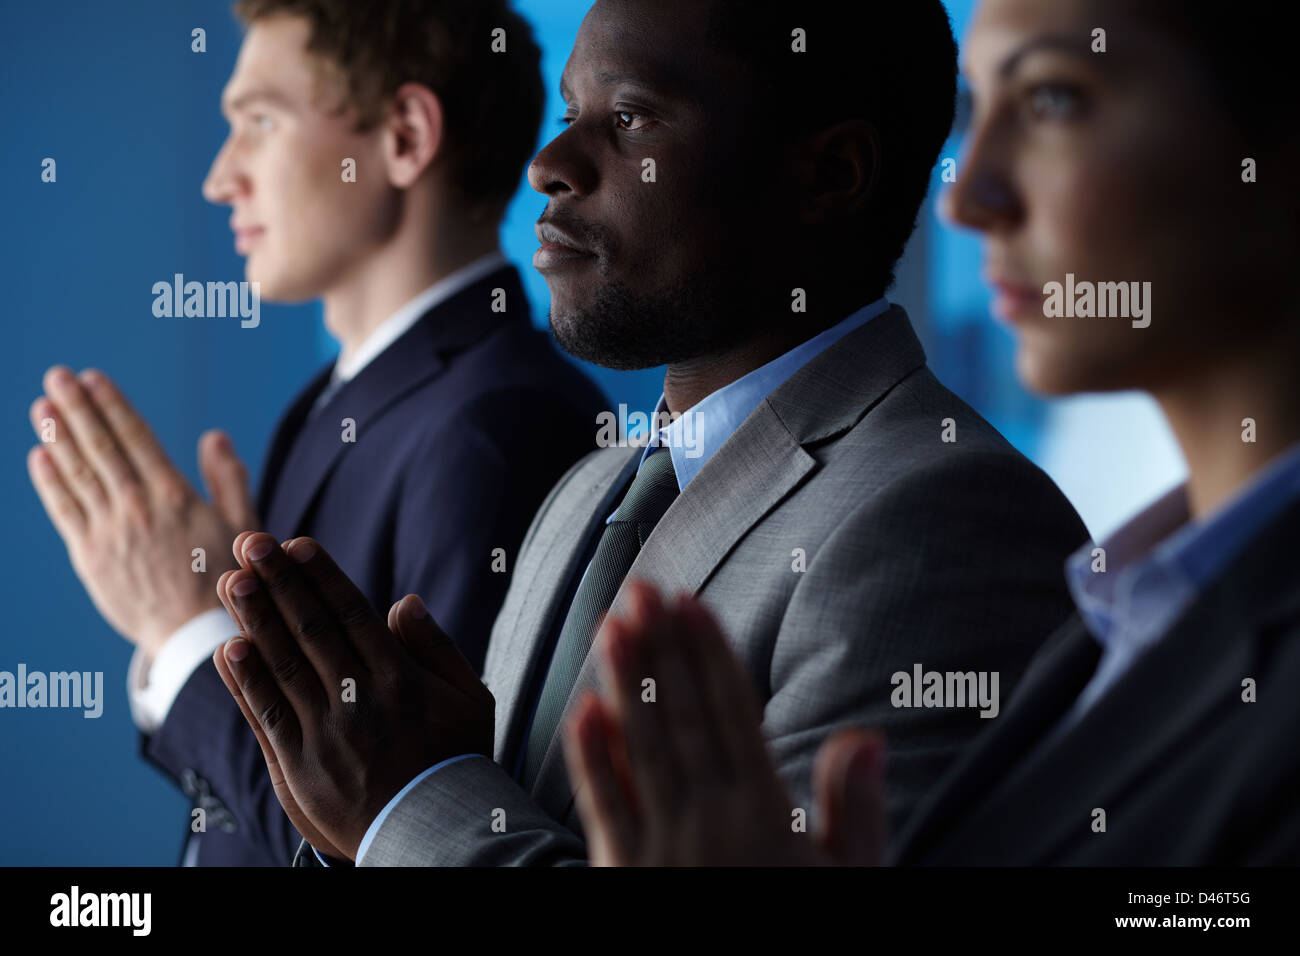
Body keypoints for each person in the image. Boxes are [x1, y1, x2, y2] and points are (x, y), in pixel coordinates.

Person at [207, 0, 1089, 867]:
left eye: (630, 118)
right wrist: (376, 813)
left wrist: (405, 805)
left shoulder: (951, 520)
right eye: (567, 114)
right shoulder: (584, 494)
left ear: (829, 175)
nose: (550, 163)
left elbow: (425, 819)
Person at [562, 0, 1300, 866]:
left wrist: (417, 803)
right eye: (980, 109)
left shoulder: (954, 520)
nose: (968, 198)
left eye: (1054, 98)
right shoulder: (1128, 610)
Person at [25, 0, 605, 867]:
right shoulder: (337, 397)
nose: (221, 177)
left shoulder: (498, 424)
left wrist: (187, 630)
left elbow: (414, 831)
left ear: (405, 136)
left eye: (260, 120)